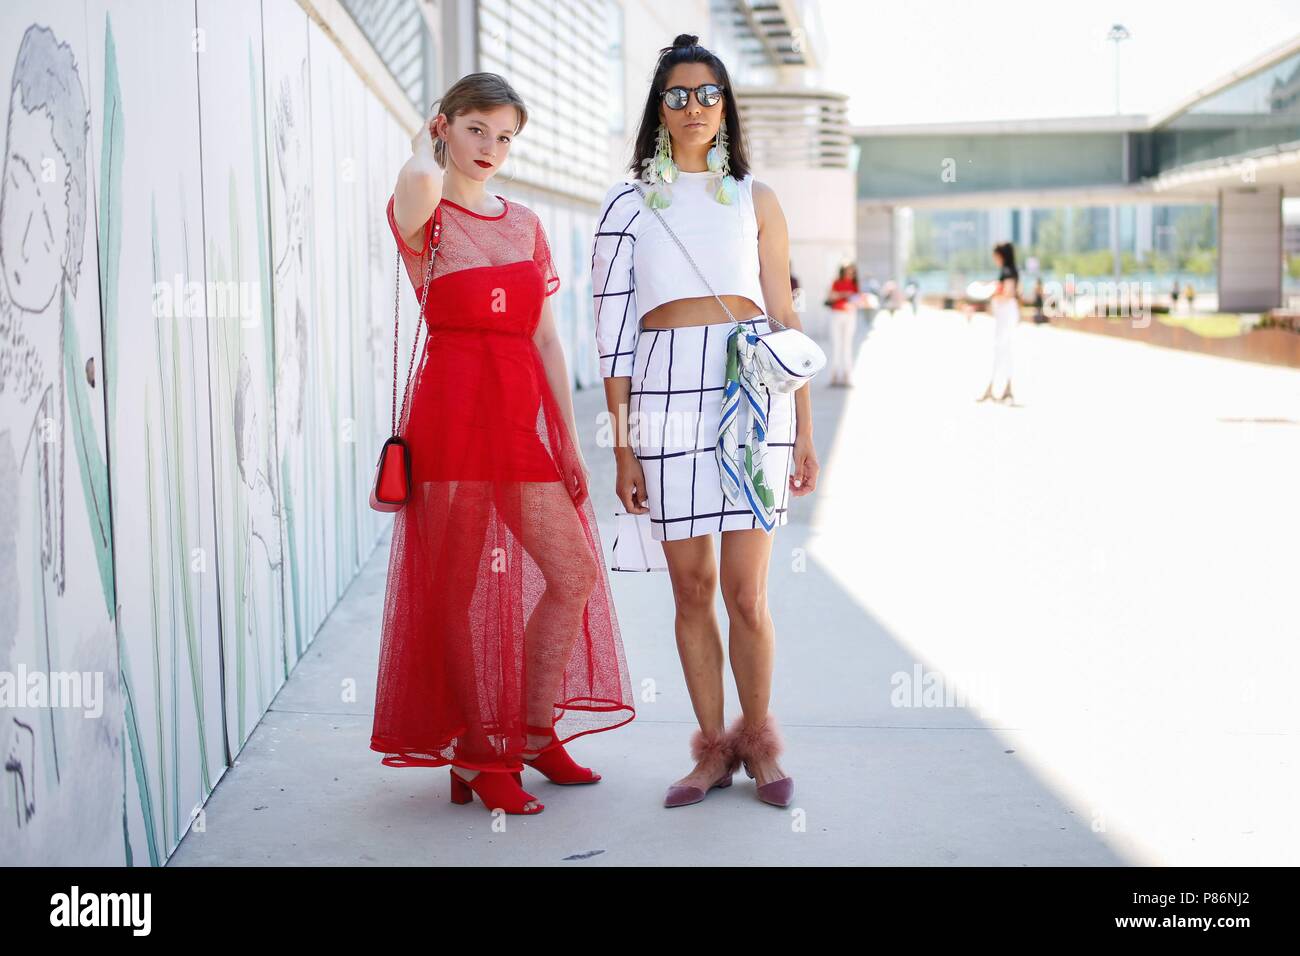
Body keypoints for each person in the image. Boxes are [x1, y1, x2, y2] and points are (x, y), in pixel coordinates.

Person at [373, 73, 635, 816]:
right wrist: (433, 143)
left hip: (519, 419)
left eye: (506, 136)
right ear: (444, 126)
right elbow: (418, 171)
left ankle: (530, 729)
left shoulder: (524, 222)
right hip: (452, 414)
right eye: (477, 130)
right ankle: (475, 755)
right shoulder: (427, 204)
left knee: (573, 570)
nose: (492, 148)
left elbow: (549, 338)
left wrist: (571, 441)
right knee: (453, 593)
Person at [591, 34, 820, 809]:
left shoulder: (756, 198)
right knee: (690, 588)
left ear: (726, 106)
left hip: (752, 392)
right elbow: (614, 334)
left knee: (747, 593)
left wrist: (808, 434)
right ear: (659, 109)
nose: (695, 107)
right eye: (679, 95)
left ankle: (759, 745)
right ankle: (712, 752)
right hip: (662, 396)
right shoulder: (627, 203)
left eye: (708, 94)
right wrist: (623, 447)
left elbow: (786, 316)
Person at [977, 241, 1020, 404]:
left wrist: (990, 295)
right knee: (1003, 349)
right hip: (1006, 313)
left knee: (1001, 349)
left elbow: (1008, 294)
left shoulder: (1008, 271)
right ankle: (1005, 388)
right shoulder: (1010, 270)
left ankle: (995, 387)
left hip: (1006, 314)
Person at [826, 262, 860, 387]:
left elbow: (857, 300)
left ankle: (847, 375)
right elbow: (830, 297)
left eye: (852, 271)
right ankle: (834, 375)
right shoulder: (836, 282)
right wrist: (844, 294)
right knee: (836, 344)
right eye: (848, 271)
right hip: (836, 314)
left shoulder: (854, 284)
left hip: (850, 315)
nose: (850, 274)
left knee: (847, 345)